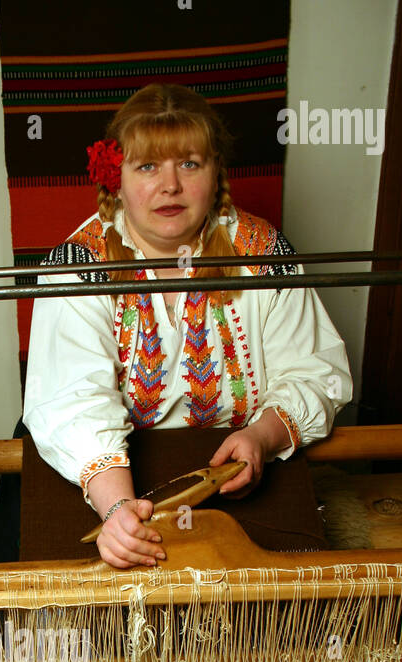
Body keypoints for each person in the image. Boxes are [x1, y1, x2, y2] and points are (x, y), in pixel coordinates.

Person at [21, 83, 353, 569]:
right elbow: (73, 399)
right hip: (112, 469)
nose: (169, 186)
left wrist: (261, 438)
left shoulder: (263, 252)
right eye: (148, 166)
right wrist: (118, 511)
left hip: (235, 462)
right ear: (117, 178)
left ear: (216, 171)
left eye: (189, 164)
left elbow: (314, 370)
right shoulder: (78, 263)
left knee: (281, 607)